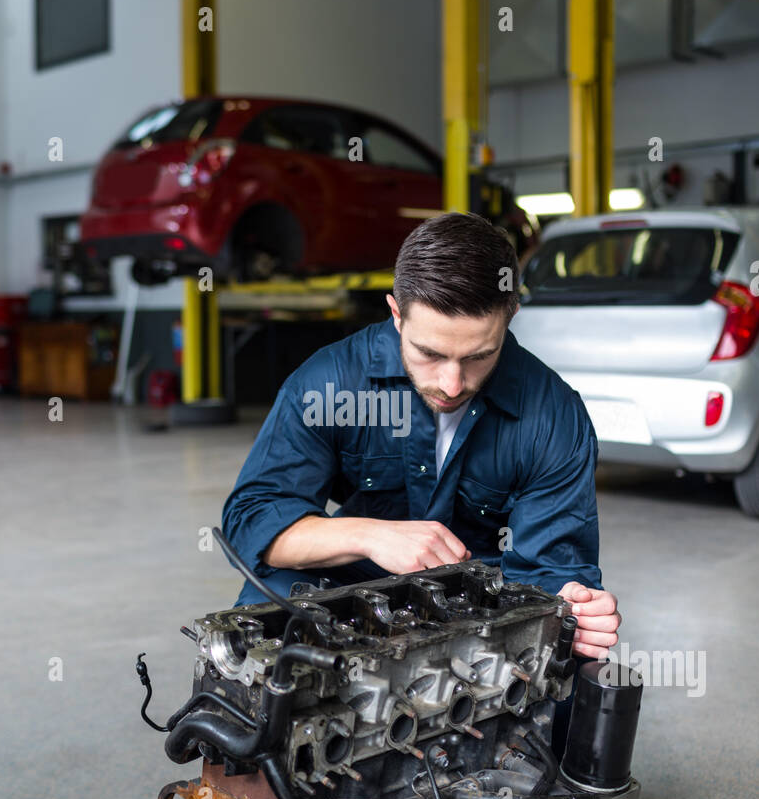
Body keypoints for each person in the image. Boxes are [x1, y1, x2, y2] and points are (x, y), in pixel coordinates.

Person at [221, 212, 620, 665]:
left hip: (487, 602)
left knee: (575, 664)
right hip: (347, 583)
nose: (452, 384)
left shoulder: (553, 416)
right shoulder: (328, 383)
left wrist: (578, 607)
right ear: (396, 314)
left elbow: (553, 572)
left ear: (510, 317)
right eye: (430, 354)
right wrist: (371, 537)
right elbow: (252, 522)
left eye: (478, 356)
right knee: (263, 627)